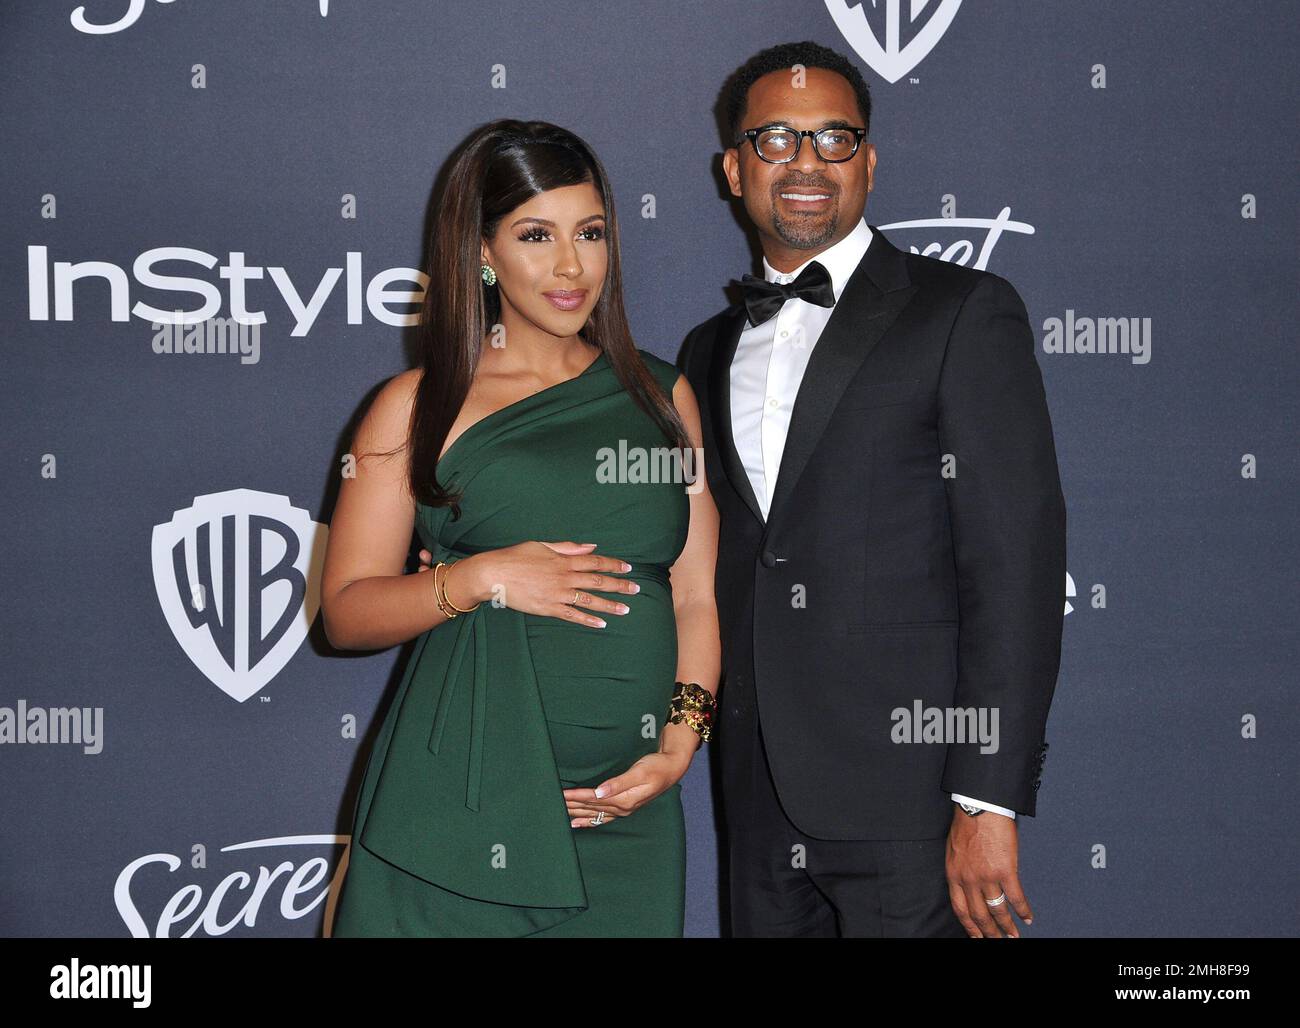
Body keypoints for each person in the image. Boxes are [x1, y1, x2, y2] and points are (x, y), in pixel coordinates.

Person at [676, 42, 1066, 938]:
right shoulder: (703, 350)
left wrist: (984, 799)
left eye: (834, 139)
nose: (807, 163)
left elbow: (1014, 570)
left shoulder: (963, 312)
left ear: (870, 162)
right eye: (775, 140)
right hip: (759, 797)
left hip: (915, 804)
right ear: (734, 170)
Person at [323, 119, 721, 937]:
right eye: (536, 235)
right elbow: (347, 612)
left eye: (591, 233)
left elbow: (695, 596)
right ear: (480, 251)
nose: (571, 266)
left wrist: (681, 744)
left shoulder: (661, 395)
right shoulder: (416, 404)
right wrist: (478, 578)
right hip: (462, 796)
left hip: (625, 808)